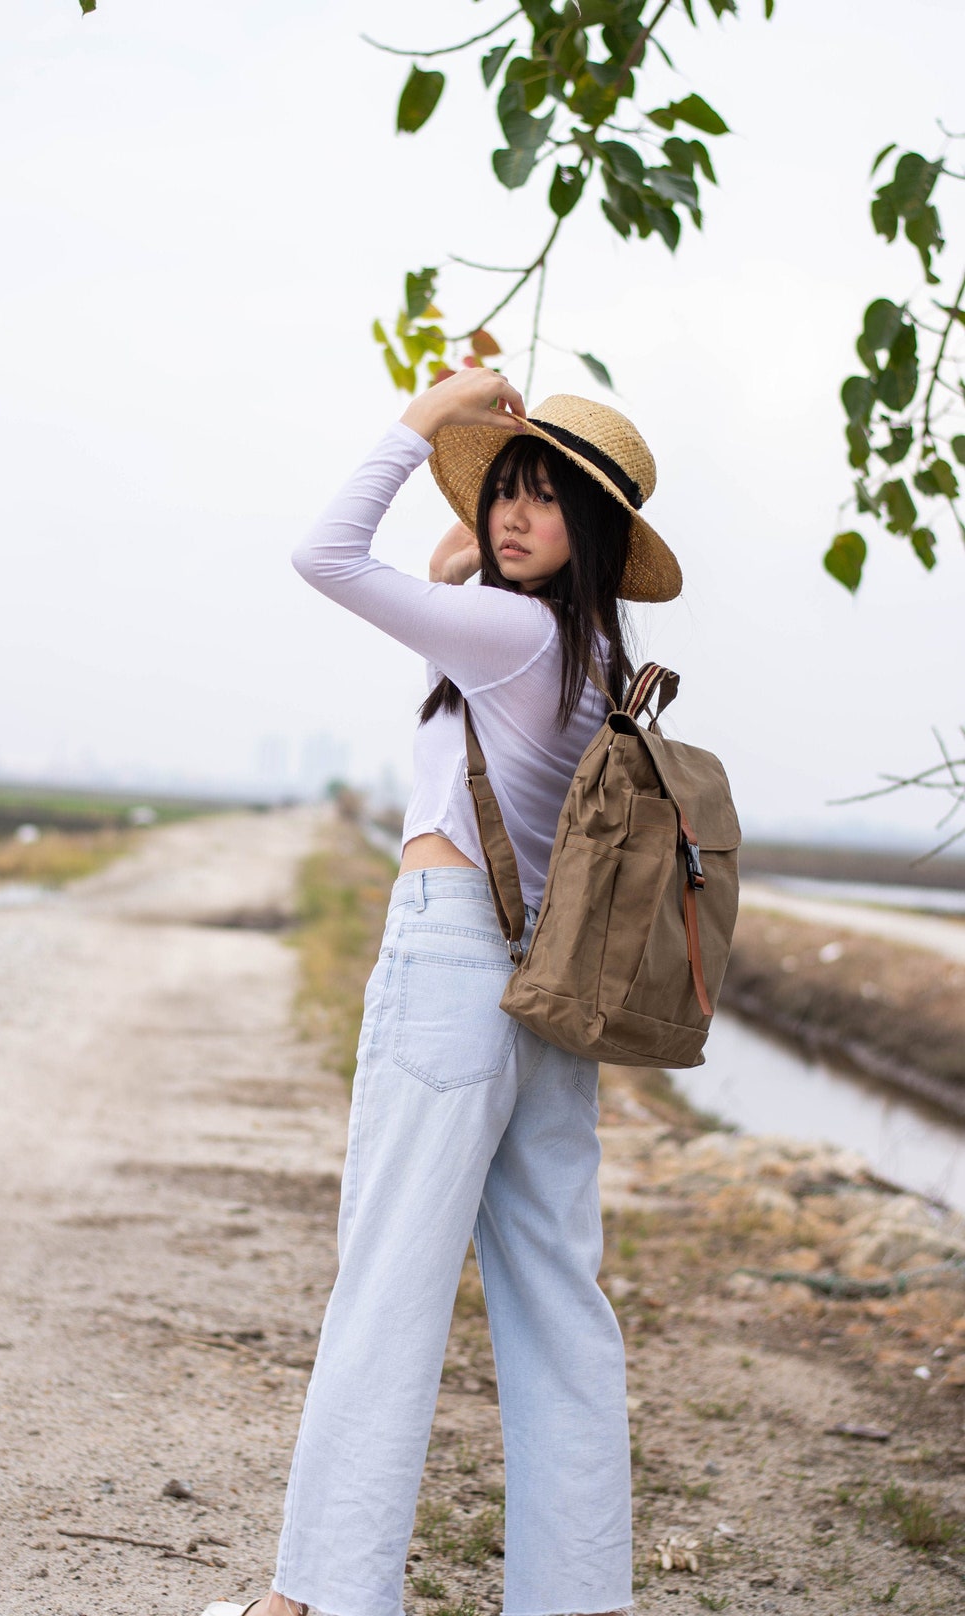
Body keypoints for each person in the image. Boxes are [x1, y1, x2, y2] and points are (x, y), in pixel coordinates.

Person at [201, 366, 682, 1616]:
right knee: (557, 1306)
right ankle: (578, 1600)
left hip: (453, 959)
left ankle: (317, 1598)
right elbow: (437, 622)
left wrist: (431, 415)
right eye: (504, 492)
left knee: (388, 1286)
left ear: (595, 533)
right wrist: (464, 551)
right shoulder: (588, 658)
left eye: (544, 501)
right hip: (546, 994)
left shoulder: (513, 636)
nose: (514, 515)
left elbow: (323, 554)